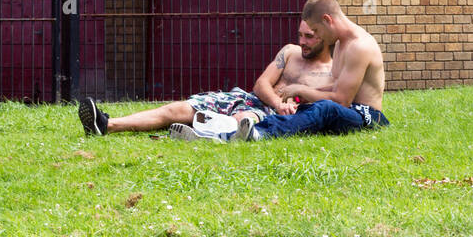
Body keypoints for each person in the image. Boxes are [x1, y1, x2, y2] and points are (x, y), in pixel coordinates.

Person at [78, 20, 332, 138]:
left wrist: (284, 108)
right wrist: (278, 101)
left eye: (309, 36)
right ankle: (107, 124)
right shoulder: (289, 52)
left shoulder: (331, 73)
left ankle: (199, 133)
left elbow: (319, 108)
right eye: (300, 35)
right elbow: (261, 85)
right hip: (248, 98)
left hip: (267, 114)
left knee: (240, 121)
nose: (302, 42)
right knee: (178, 108)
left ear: (326, 35)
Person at [234, 0, 389, 140]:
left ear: (327, 19)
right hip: (347, 112)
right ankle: (243, 131)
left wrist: (301, 89)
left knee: (325, 108)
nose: (318, 36)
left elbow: (342, 100)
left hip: (367, 116)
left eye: (315, 30)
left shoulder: (359, 46)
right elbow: (337, 87)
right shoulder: (341, 43)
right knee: (309, 107)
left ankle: (261, 133)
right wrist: (304, 95)